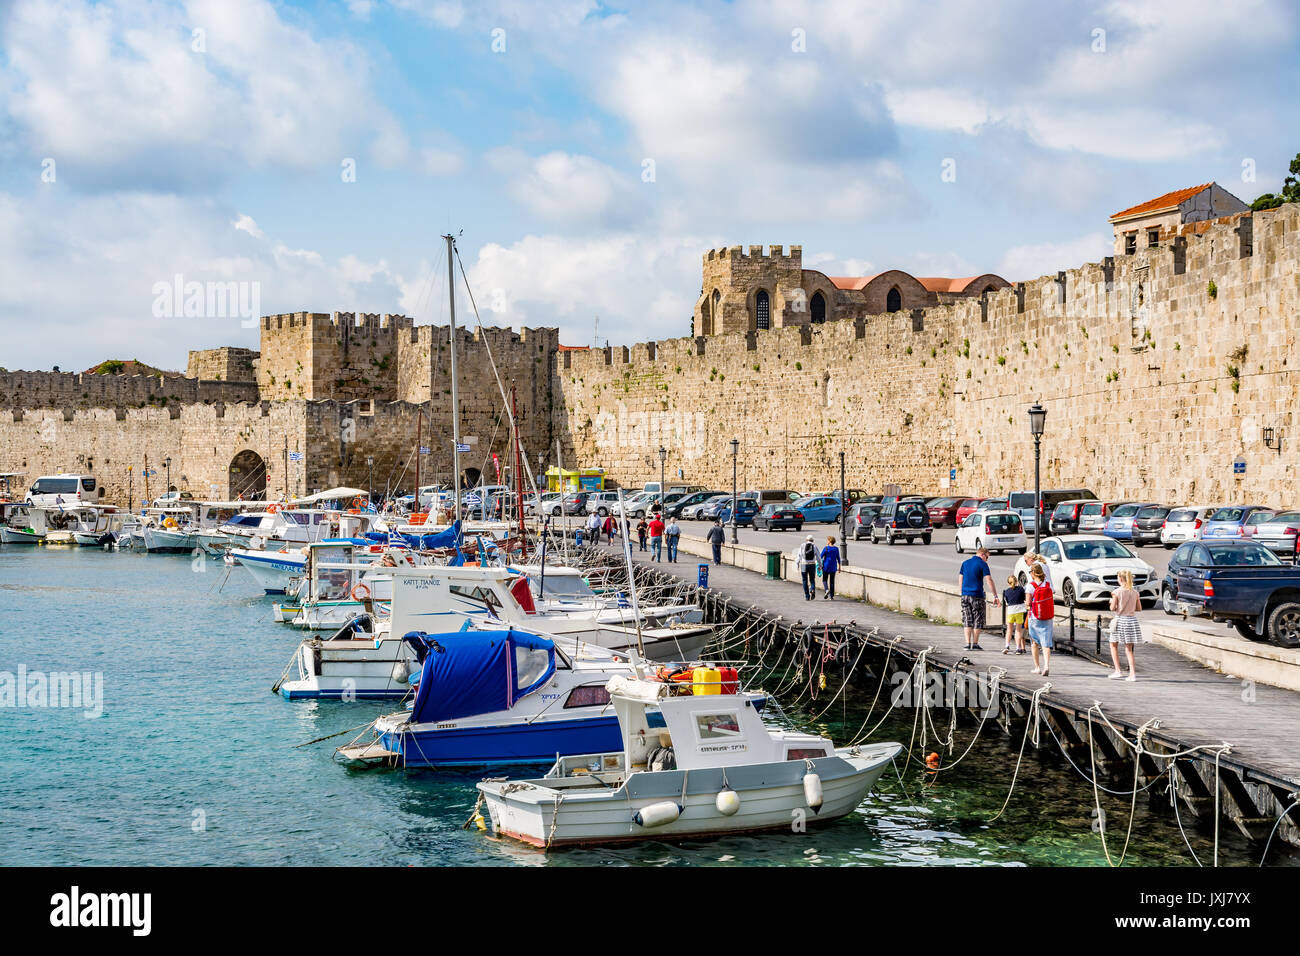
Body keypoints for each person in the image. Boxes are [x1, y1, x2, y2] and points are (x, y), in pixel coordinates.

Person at [958, 546, 998, 650]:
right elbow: (989, 580)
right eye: (987, 557)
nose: (987, 559)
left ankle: (967, 644)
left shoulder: (965, 563)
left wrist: (962, 592)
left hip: (965, 595)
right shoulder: (983, 564)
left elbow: (960, 578)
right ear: (983, 554)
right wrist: (995, 595)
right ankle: (975, 644)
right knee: (977, 619)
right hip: (977, 595)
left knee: (967, 619)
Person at [1108, 569, 1142, 681]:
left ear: (1121, 579)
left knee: (1113, 644)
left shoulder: (1117, 592)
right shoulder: (1135, 592)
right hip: (1131, 620)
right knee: (1129, 649)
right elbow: (1139, 608)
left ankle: (1118, 670)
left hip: (1120, 620)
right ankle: (1132, 674)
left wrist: (1111, 603)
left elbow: (1112, 608)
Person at [1027, 563, 1055, 676]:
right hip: (1048, 616)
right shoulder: (1047, 584)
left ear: (1033, 573)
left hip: (1035, 617)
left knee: (1034, 642)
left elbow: (1028, 603)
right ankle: (1046, 666)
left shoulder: (1030, 586)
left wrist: (1026, 605)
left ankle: (1037, 667)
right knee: (1046, 643)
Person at [1003, 575, 1027, 655]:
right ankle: (1018, 648)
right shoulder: (1021, 589)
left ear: (1008, 583)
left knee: (1009, 630)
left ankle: (1007, 646)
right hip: (1019, 611)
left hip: (1010, 611)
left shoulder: (1006, 591)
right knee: (1018, 630)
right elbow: (1024, 598)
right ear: (1017, 581)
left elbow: (1007, 601)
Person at [793, 535, 818, 601]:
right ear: (812, 540)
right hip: (812, 565)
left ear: (806, 540)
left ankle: (807, 596)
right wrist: (820, 566)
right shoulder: (814, 546)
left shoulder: (802, 546)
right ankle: (812, 589)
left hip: (804, 565)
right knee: (812, 579)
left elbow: (799, 555)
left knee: (804, 580)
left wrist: (797, 564)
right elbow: (818, 557)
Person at [820, 535, 840, 600]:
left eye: (827, 540)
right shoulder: (836, 549)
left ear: (829, 541)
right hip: (833, 567)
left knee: (824, 580)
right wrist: (839, 567)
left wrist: (819, 565)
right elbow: (838, 558)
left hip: (826, 566)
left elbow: (820, 556)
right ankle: (831, 596)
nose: (827, 541)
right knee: (832, 581)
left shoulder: (826, 548)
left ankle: (826, 589)